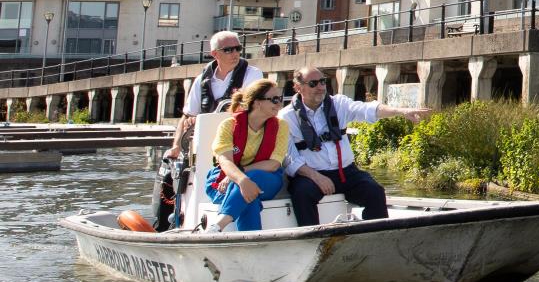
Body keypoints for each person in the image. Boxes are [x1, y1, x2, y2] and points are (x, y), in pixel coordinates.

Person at [281, 67, 422, 226]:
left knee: (374, 192)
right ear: (298, 88)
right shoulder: (286, 117)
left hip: (345, 172)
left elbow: (368, 109)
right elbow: (289, 159)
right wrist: (317, 177)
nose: (320, 87)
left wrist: (400, 111)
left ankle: (376, 237)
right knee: (302, 194)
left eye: (322, 82)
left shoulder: (338, 104)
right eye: (313, 83)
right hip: (310, 174)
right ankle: (312, 241)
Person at [153, 31, 263, 230]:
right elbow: (187, 115)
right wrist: (176, 146)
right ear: (215, 54)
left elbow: (250, 109)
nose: (235, 53)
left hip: (239, 142)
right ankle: (167, 226)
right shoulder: (202, 79)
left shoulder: (252, 75)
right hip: (204, 146)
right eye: (228, 49)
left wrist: (204, 118)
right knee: (172, 174)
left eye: (238, 48)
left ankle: (223, 222)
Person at [203, 79, 290, 233]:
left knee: (253, 178)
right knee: (250, 197)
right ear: (257, 103)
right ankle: (252, 246)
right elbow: (225, 162)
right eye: (274, 99)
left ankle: (218, 226)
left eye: (280, 99)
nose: (280, 104)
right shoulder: (228, 126)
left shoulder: (281, 126)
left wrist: (240, 177)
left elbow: (274, 164)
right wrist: (241, 180)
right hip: (222, 182)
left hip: (266, 179)